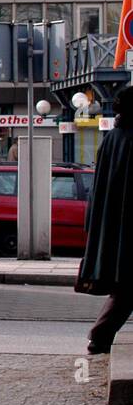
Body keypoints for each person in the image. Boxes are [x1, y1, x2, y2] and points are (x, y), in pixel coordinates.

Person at [77, 85, 133, 354]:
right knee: (126, 291)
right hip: (128, 231)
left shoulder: (113, 139)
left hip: (116, 228)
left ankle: (99, 338)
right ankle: (99, 337)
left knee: (124, 290)